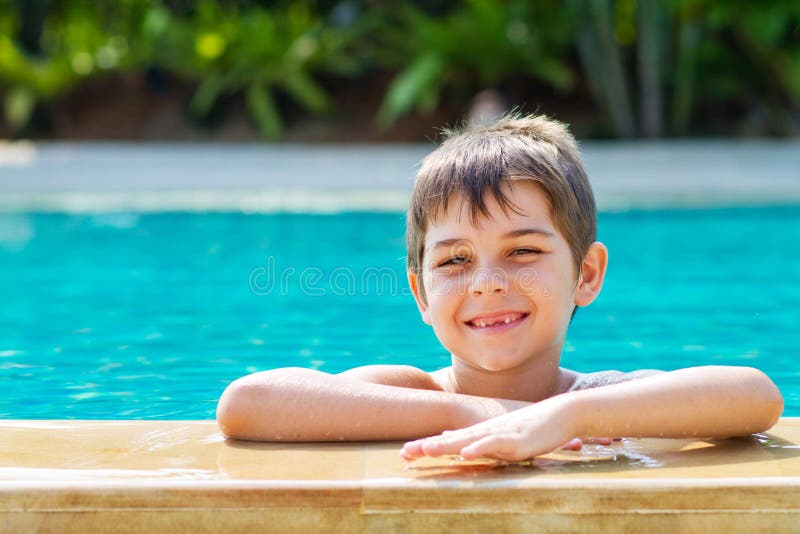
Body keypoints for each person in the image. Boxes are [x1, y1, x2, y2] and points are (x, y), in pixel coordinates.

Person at [216, 114, 784, 461]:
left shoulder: (597, 398)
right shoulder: (418, 394)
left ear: (585, 274)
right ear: (420, 294)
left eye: (523, 251)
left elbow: (756, 397)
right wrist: (480, 413)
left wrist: (568, 418)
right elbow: (248, 404)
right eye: (455, 260)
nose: (487, 284)